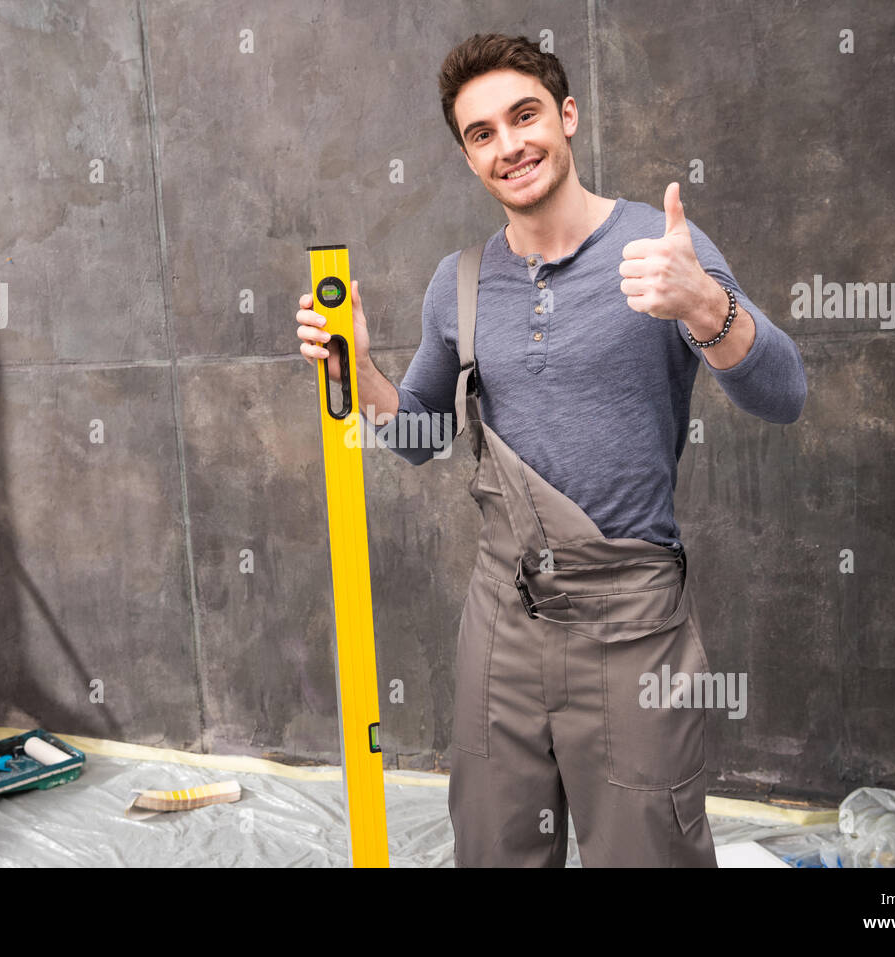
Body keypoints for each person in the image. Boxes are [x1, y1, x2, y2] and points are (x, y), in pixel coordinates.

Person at [294, 33, 806, 866]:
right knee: (495, 847)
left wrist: (709, 309)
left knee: (648, 849)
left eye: (524, 115)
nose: (510, 146)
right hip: (502, 621)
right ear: (467, 156)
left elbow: (785, 395)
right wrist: (365, 369)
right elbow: (421, 437)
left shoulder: (659, 249)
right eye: (482, 133)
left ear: (566, 117)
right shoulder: (457, 282)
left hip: (633, 625)